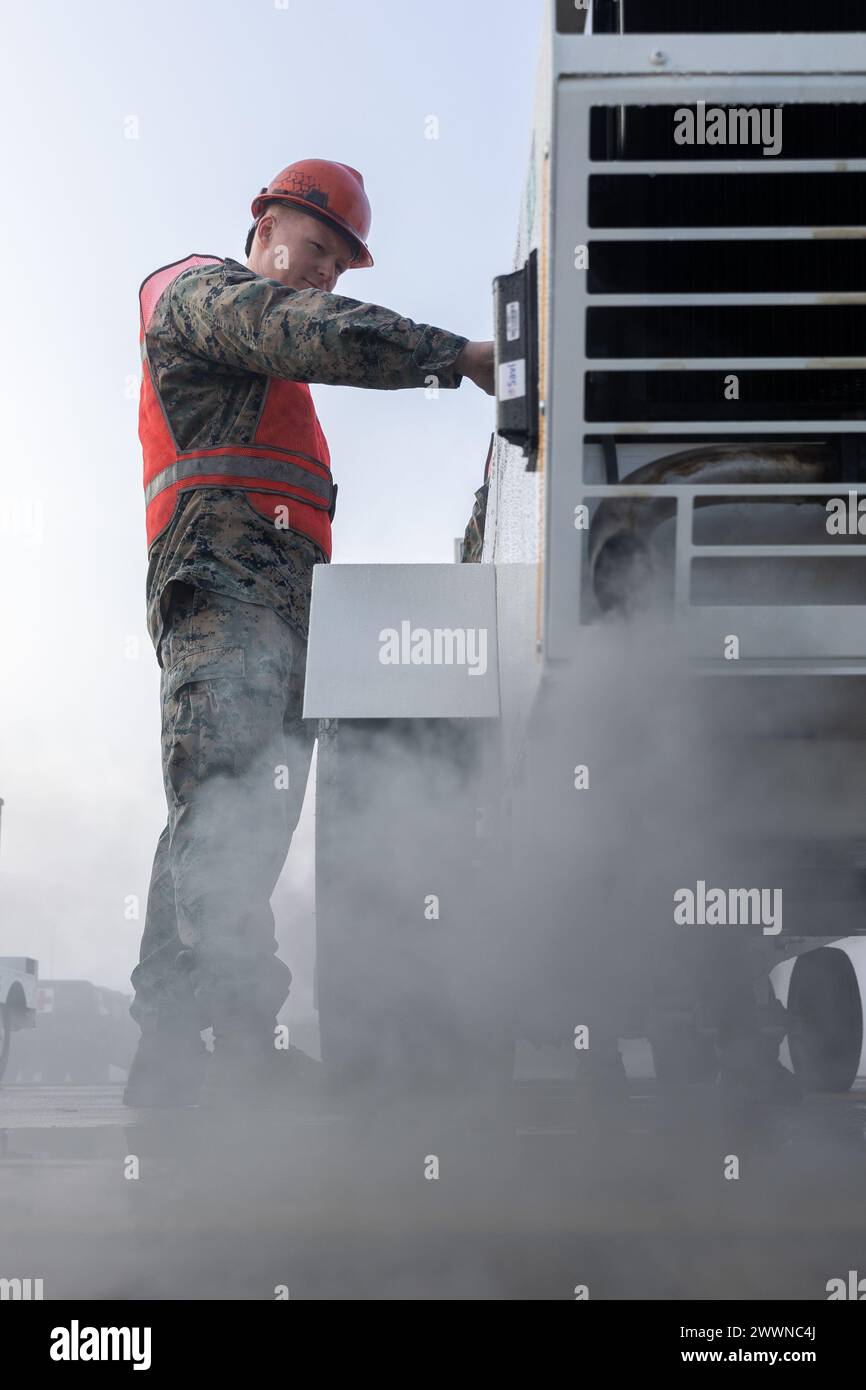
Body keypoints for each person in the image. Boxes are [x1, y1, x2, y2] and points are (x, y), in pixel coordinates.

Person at [124, 159, 494, 1110]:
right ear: (266, 224)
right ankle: (235, 1052)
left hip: (274, 608)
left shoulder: (276, 393)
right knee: (228, 816)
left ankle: (175, 1069)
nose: (323, 277)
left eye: (338, 267)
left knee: (224, 817)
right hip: (226, 590)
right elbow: (300, 329)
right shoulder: (198, 291)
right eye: (316, 249)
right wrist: (455, 356)